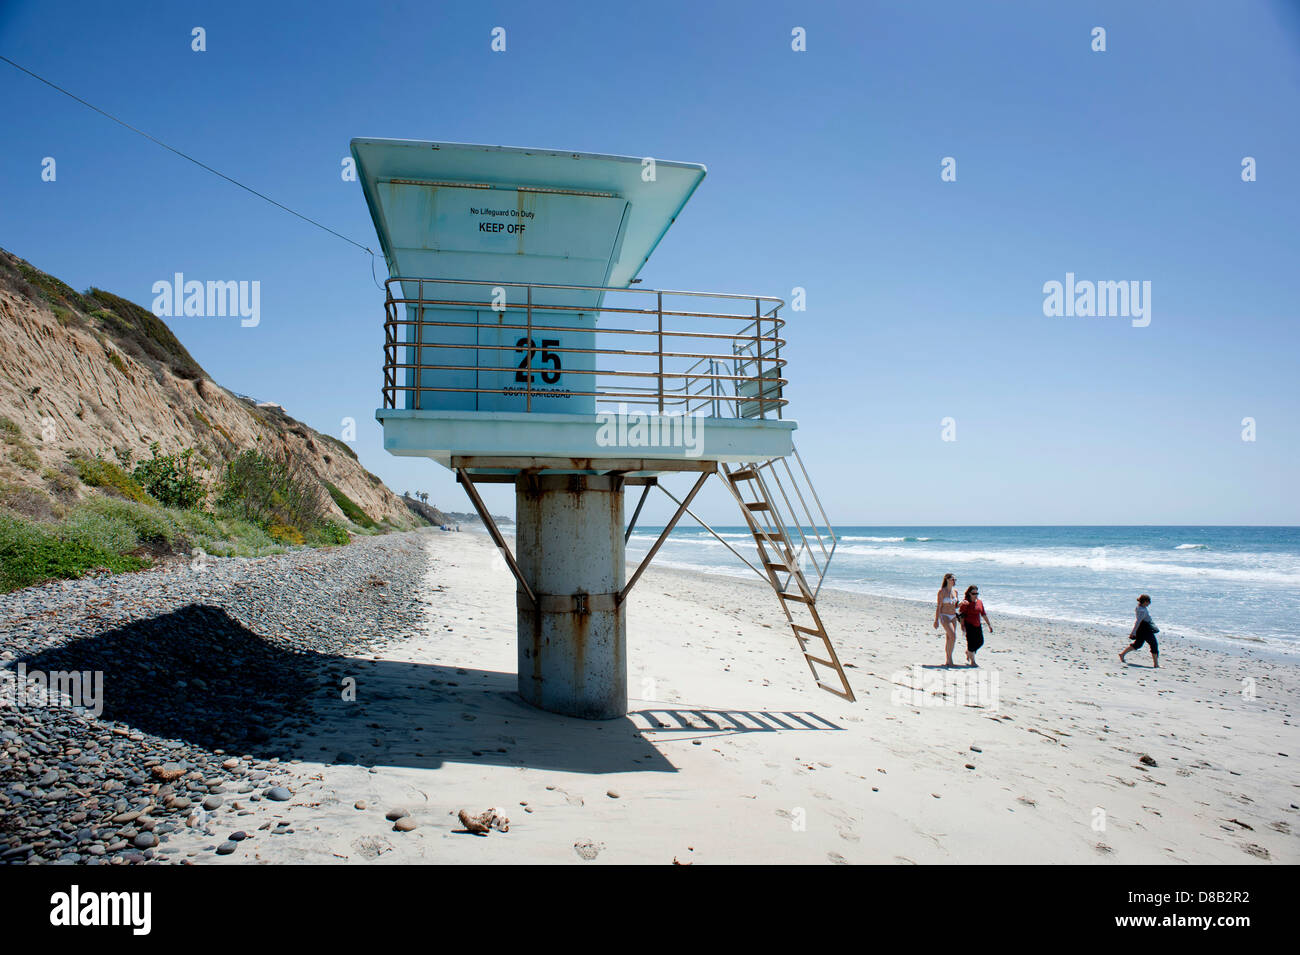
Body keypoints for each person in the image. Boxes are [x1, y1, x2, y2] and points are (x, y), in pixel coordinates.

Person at [1119, 594, 1159, 668]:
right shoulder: (1142, 610)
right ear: (1144, 601)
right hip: (1144, 629)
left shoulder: (1140, 607)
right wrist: (1133, 632)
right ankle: (1156, 664)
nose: (1149, 603)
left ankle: (1122, 654)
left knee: (1138, 644)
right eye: (1148, 601)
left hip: (1143, 628)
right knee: (1153, 644)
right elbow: (1138, 621)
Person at [958, 585, 992, 666]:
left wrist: (989, 625)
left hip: (978, 624)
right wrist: (962, 625)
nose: (975, 595)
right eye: (973, 593)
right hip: (969, 625)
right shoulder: (966, 602)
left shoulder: (979, 602)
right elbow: (962, 615)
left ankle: (969, 652)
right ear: (969, 593)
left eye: (977, 593)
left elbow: (983, 614)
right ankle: (973, 662)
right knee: (971, 643)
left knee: (980, 642)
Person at [932, 573, 960, 666]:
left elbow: (955, 606)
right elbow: (939, 606)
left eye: (955, 579)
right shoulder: (942, 592)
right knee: (953, 635)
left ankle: (948, 660)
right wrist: (936, 620)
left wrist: (961, 604)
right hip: (944, 616)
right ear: (947, 580)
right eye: (952, 579)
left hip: (953, 616)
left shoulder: (955, 591)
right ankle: (950, 659)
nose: (954, 581)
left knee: (950, 638)